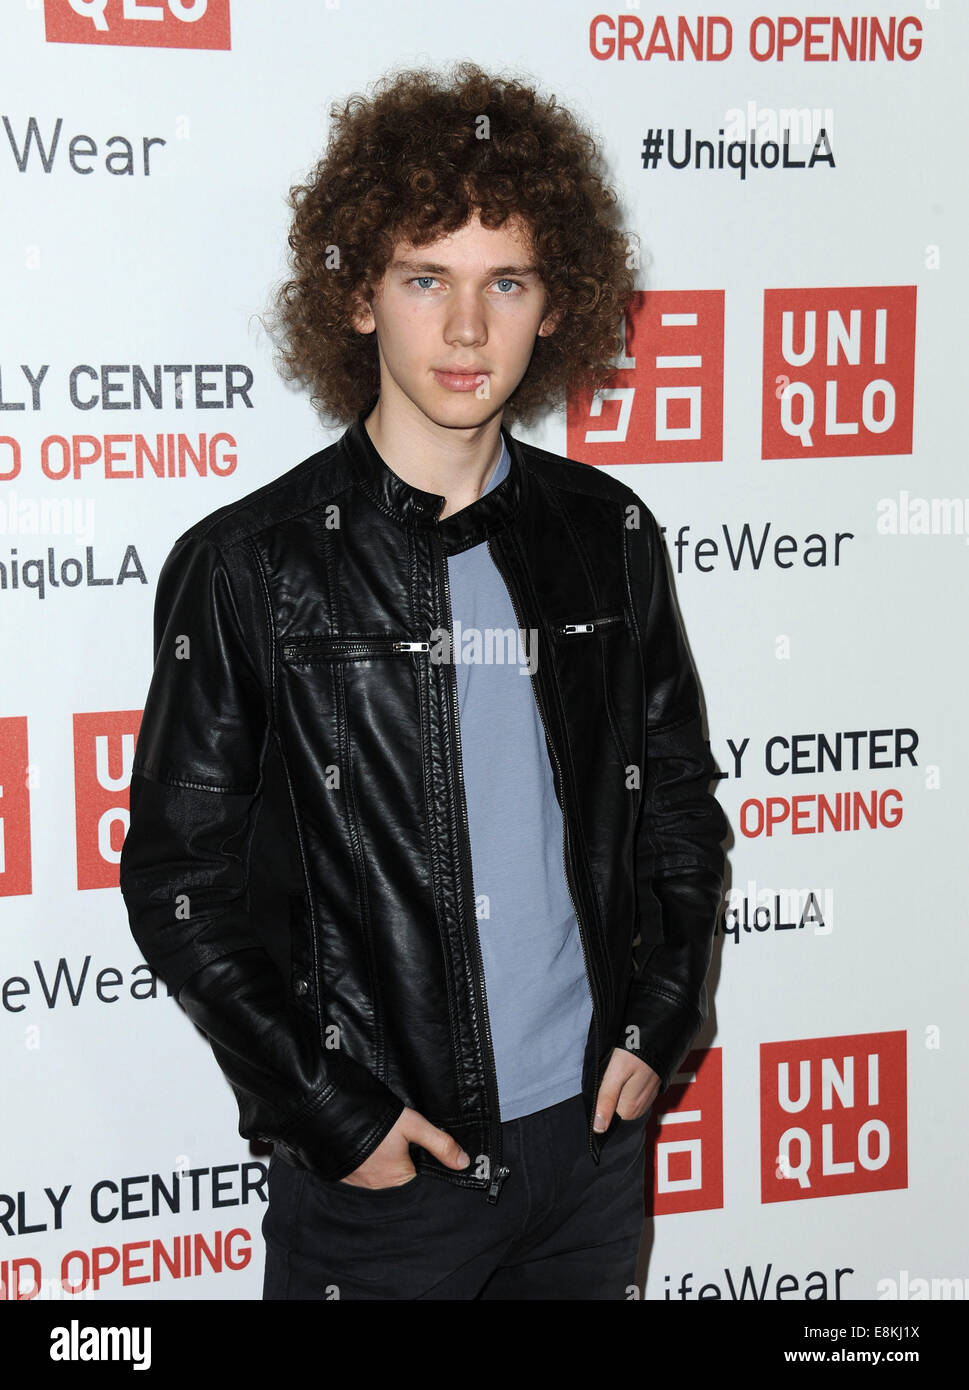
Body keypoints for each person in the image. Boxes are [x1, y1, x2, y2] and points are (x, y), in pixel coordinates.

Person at [119, 60, 728, 1301]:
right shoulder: (248, 568)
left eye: (505, 281)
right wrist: (334, 1112)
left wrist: (661, 1021)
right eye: (425, 280)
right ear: (358, 302)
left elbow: (676, 804)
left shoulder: (606, 534)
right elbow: (180, 882)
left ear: (555, 302)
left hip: (592, 1149)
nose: (466, 330)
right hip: (391, 1176)